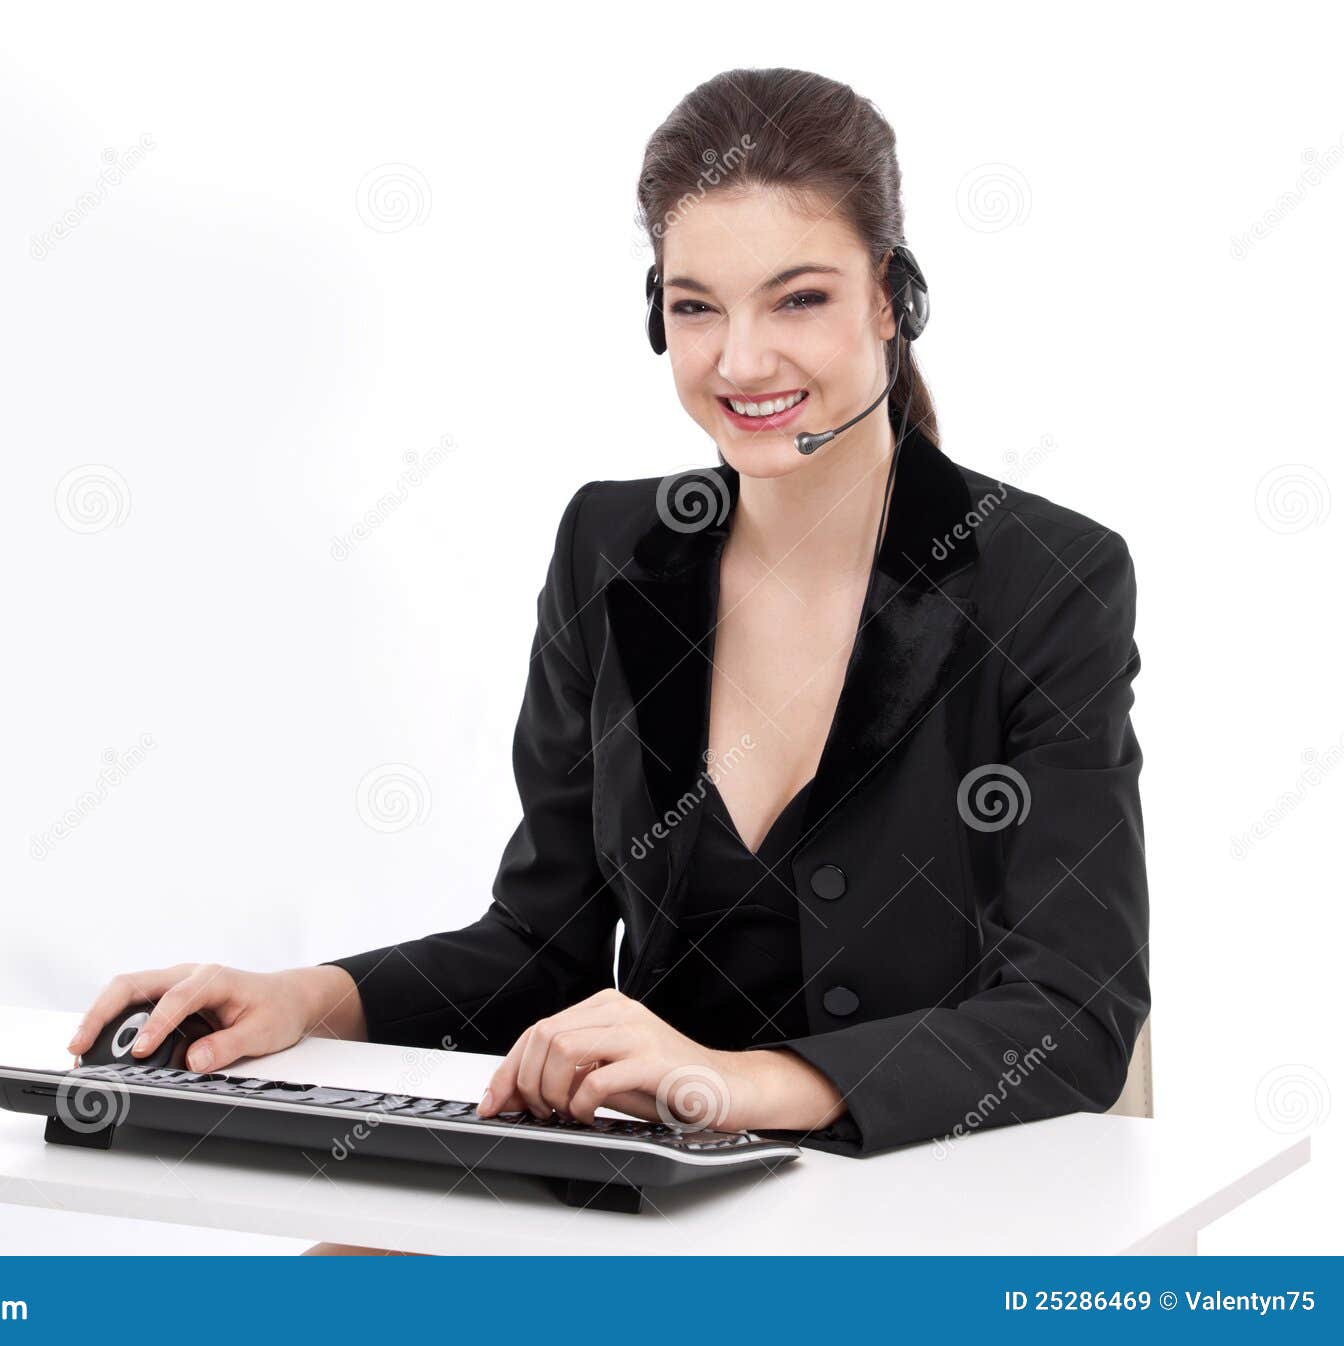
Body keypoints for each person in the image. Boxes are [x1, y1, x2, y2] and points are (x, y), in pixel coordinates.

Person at [69, 67, 1149, 1254]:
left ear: (893, 300)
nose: (741, 360)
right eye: (695, 307)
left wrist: (737, 1082)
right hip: (642, 1193)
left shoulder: (1047, 579)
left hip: (918, 1202)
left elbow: (1073, 1010)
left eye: (797, 299)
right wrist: (309, 997)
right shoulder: (612, 547)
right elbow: (544, 942)